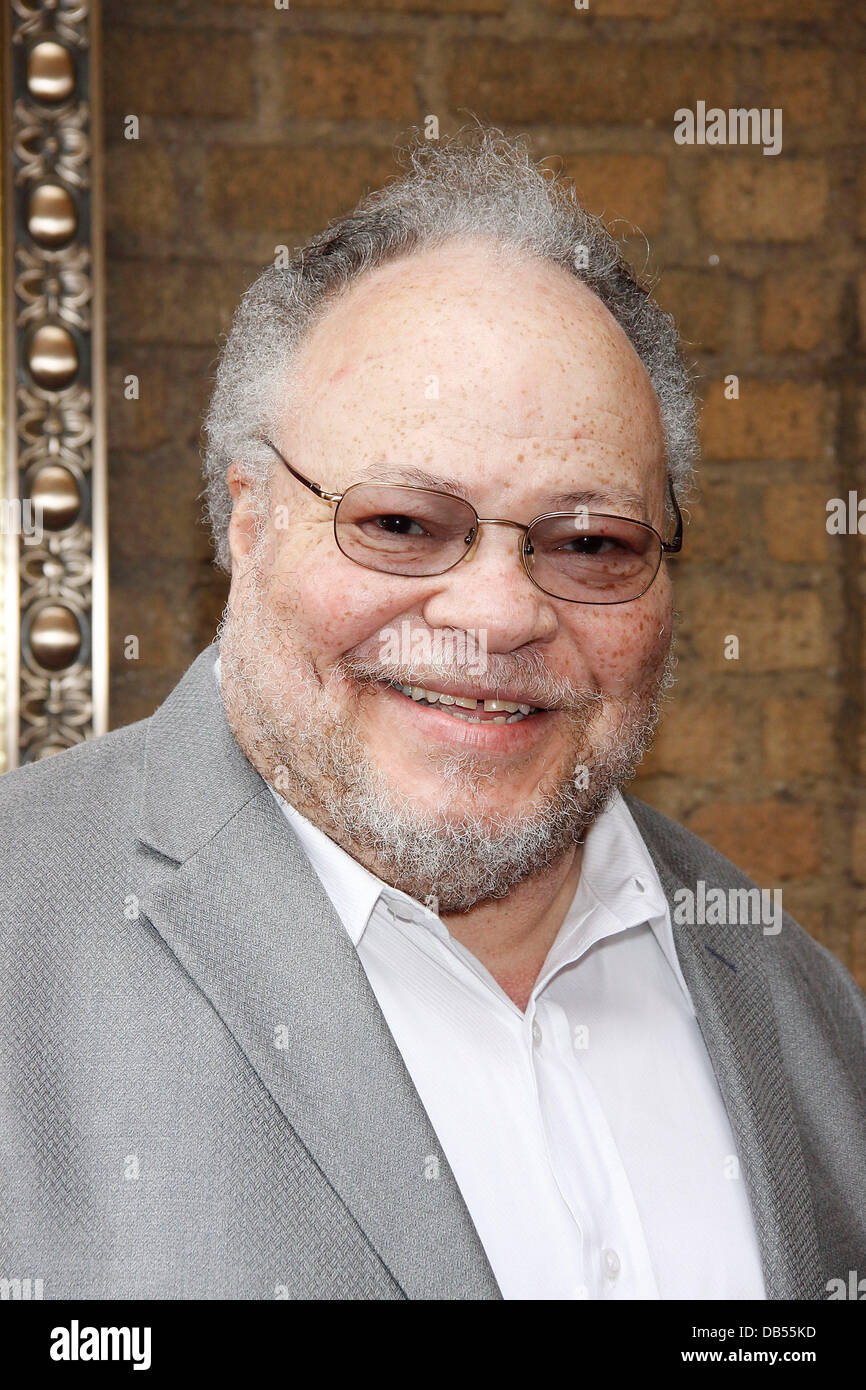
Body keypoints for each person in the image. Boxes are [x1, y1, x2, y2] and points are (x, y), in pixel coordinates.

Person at [1, 127, 863, 1301]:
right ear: (246, 523)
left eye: (589, 542)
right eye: (402, 524)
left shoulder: (798, 1002)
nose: (497, 614)